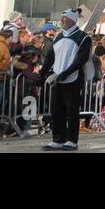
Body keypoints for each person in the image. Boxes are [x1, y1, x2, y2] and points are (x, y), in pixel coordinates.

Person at [40, 8, 92, 151]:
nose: (62, 20)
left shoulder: (83, 37)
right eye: (62, 18)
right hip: (58, 78)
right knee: (57, 110)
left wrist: (67, 72)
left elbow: (82, 58)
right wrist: (43, 72)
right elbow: (51, 56)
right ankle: (58, 139)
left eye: (65, 18)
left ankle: (71, 140)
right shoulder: (58, 36)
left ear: (73, 20)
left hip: (73, 78)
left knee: (72, 111)